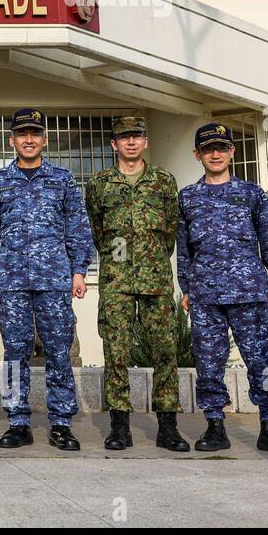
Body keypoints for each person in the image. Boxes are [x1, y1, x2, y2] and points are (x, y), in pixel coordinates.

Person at [177, 122, 268, 454]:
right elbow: (184, 247)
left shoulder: (252, 193)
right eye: (207, 149)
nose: (215, 154)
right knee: (208, 363)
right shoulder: (188, 197)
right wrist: (186, 287)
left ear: (231, 152)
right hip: (205, 295)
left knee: (263, 361)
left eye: (221, 148)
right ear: (197, 155)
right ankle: (215, 426)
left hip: (249, 291)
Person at [0, 108, 93, 451]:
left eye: (34, 134)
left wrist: (79, 271)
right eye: (22, 134)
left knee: (59, 351)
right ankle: (18, 422)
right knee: (15, 352)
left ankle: (61, 423)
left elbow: (78, 227)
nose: (28, 140)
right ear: (12, 140)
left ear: (44, 140)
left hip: (54, 279)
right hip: (12, 279)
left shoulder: (62, 179)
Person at [84, 116, 189, 452]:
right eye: (124, 137)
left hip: (156, 280)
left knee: (165, 352)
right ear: (114, 144)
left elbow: (171, 231)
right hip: (116, 282)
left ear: (146, 142)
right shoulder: (100, 184)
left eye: (137, 136)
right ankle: (119, 427)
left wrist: (149, 257)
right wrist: (120, 258)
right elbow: (98, 231)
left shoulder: (164, 181)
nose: (131, 142)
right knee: (116, 352)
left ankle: (168, 427)